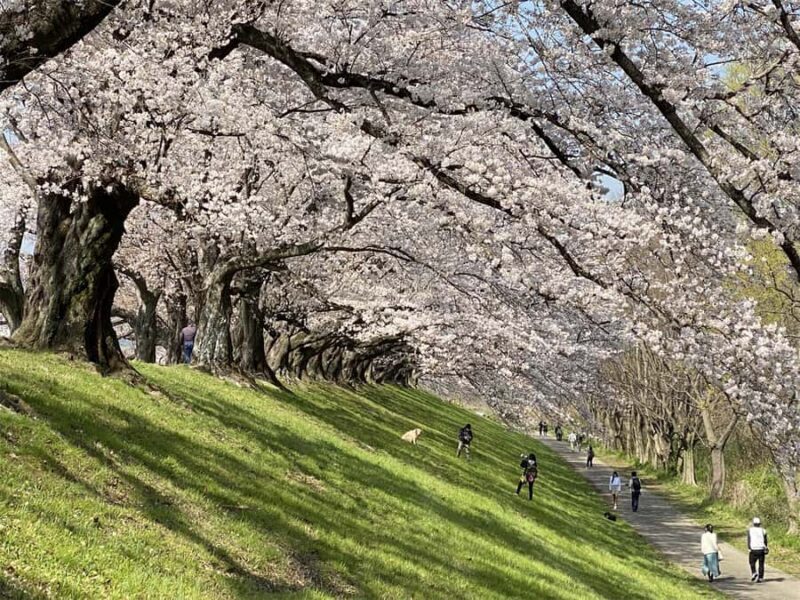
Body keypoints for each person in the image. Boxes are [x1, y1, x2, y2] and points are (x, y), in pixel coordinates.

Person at [747, 517, 768, 583]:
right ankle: (761, 577)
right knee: (761, 564)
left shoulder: (750, 530)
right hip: (761, 549)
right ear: (759, 524)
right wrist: (765, 547)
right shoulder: (763, 530)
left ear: (753, 523)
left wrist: (749, 548)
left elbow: (749, 540)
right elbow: (765, 540)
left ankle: (754, 572)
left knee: (751, 562)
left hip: (753, 548)